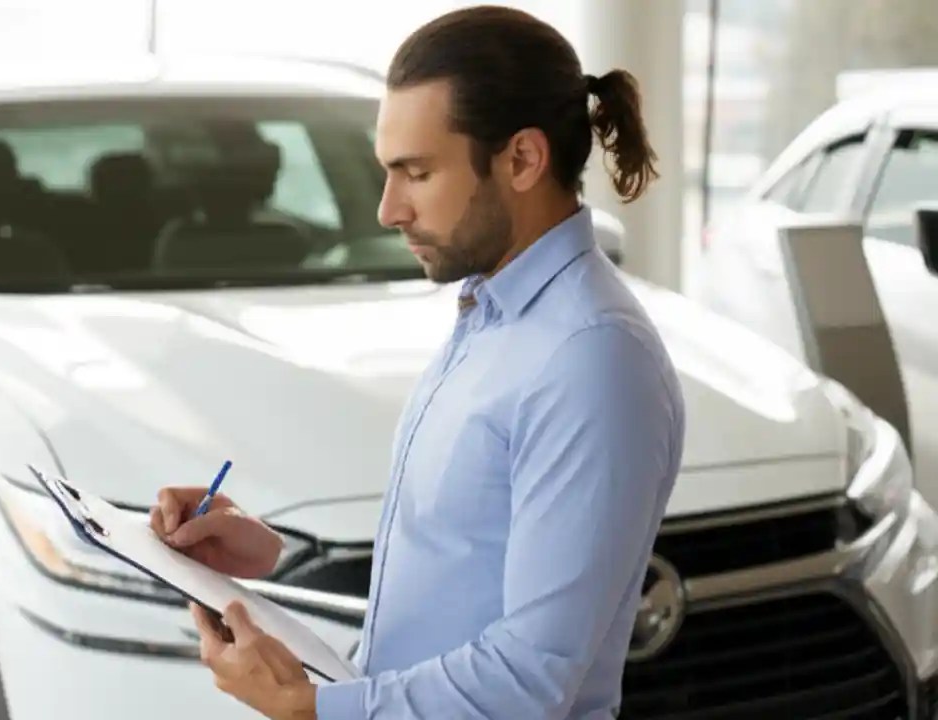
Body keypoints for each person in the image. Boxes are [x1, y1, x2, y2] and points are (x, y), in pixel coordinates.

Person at [149, 5, 685, 718]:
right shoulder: (494, 313)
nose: (387, 209)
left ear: (522, 159)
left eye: (416, 172)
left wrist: (313, 709)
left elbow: (529, 681)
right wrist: (266, 559)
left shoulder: (591, 359)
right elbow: (459, 572)